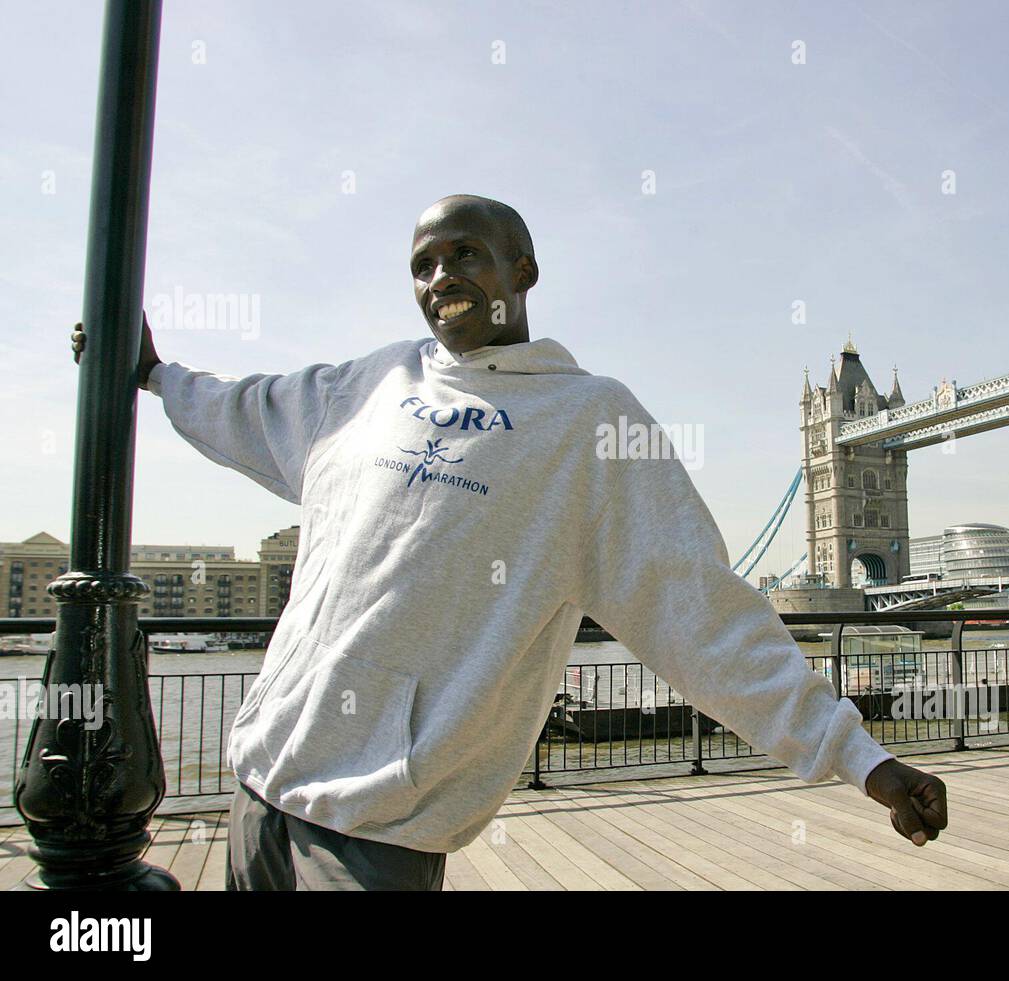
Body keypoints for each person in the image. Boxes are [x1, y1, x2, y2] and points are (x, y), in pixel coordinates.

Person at [72, 194, 947, 890]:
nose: (440, 274)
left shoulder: (588, 421)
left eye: (463, 253)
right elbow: (244, 406)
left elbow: (701, 611)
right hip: (259, 789)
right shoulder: (368, 383)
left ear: (521, 269)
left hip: (380, 826)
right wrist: (151, 373)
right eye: (422, 263)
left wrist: (860, 756)